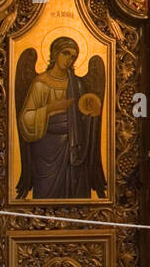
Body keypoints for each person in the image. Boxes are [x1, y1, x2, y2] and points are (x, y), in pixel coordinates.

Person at [16, 36, 106, 199]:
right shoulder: (40, 84)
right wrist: (51, 109)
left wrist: (91, 114)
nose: (69, 60)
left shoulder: (77, 84)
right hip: (47, 149)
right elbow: (25, 119)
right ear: (55, 53)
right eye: (65, 53)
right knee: (45, 193)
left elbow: (83, 117)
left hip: (74, 147)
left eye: (73, 56)